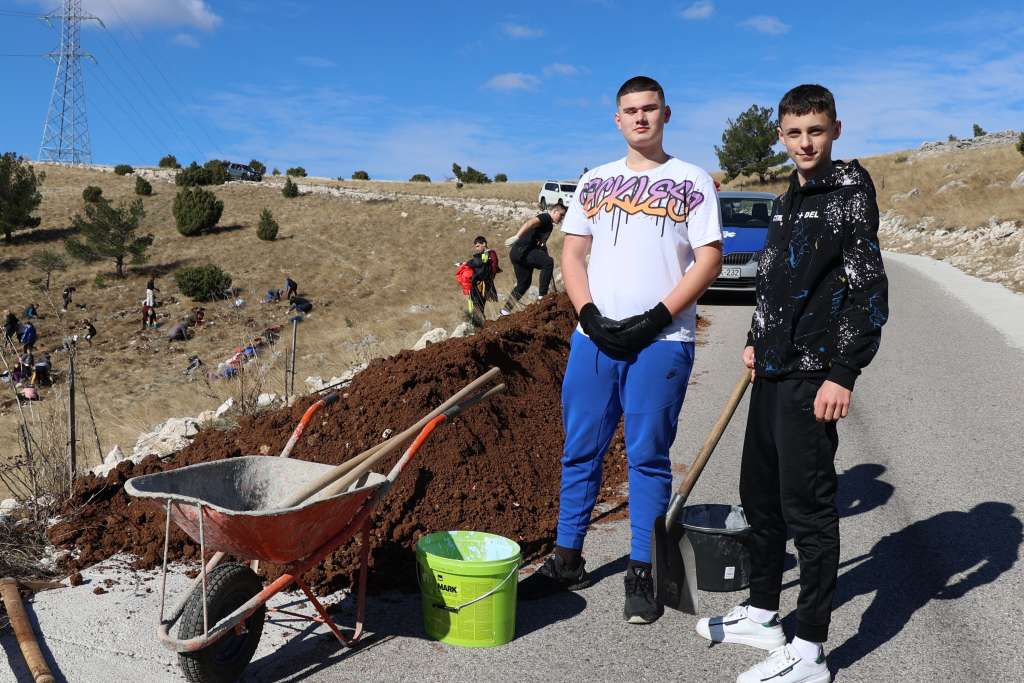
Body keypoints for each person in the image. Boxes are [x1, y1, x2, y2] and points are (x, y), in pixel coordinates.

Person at [694, 84, 889, 683]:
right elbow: (776, 281)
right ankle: (762, 612)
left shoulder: (849, 196)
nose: (806, 143)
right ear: (781, 136)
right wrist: (757, 337)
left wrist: (843, 373)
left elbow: (868, 290)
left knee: (809, 511)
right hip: (772, 370)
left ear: (836, 130)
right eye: (795, 133)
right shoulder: (785, 202)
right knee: (760, 497)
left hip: (813, 375)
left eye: (816, 131)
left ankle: (810, 652)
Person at [518, 76, 723, 625]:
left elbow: (708, 259)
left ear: (666, 114)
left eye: (650, 108)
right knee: (580, 449)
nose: (640, 118)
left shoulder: (692, 180)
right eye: (630, 110)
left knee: (647, 456)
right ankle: (567, 559)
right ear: (617, 119)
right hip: (595, 339)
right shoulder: (594, 181)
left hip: (662, 341)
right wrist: (587, 314)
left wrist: (657, 316)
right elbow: (572, 255)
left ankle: (642, 569)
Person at [499, 203, 567, 315]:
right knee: (548, 262)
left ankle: (505, 311)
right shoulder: (545, 217)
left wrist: (544, 253)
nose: (562, 218)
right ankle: (542, 298)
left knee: (523, 285)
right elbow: (530, 223)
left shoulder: (549, 226)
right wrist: (516, 236)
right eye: (561, 215)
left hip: (518, 254)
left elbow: (541, 244)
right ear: (555, 211)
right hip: (522, 251)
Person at [458, 236, 500, 327]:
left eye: (478, 246)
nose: (476, 249)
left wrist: (467, 264)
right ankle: (478, 324)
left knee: (477, 305)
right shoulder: (487, 254)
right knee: (477, 305)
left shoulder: (489, 253)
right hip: (481, 283)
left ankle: (478, 325)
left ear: (484, 244)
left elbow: (480, 263)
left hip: (482, 284)